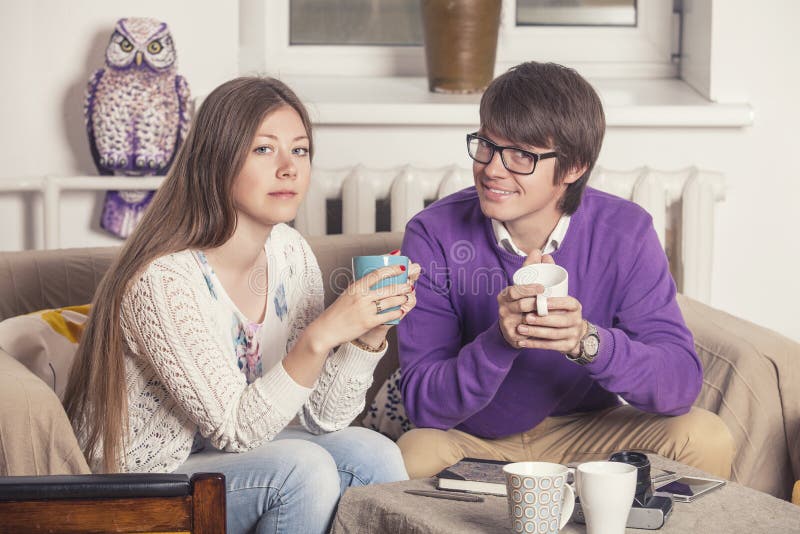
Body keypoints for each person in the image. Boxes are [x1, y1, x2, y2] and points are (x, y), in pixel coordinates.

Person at [64, 76, 418, 534]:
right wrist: (323, 333)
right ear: (217, 160)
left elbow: (323, 417)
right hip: (140, 489)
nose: (290, 167)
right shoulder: (163, 280)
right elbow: (235, 429)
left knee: (375, 453)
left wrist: (368, 336)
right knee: (302, 468)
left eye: (301, 150)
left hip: (226, 459)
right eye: (264, 149)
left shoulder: (290, 254)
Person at [395, 62, 735, 480]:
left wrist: (586, 341)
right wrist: (501, 341)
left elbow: (680, 382)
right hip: (474, 441)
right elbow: (423, 403)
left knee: (705, 436)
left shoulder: (625, 232)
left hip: (587, 436)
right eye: (486, 144)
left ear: (573, 168)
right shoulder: (434, 234)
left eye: (521, 154)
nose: (491, 168)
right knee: (412, 455)